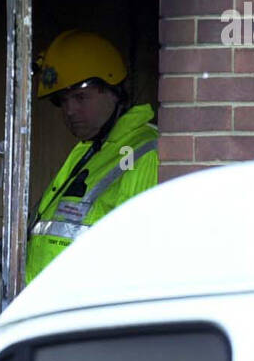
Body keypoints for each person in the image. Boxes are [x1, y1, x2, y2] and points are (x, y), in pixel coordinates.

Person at [23, 30, 159, 284]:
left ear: (114, 92)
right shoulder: (90, 151)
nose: (70, 111)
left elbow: (139, 260)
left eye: (80, 97)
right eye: (62, 101)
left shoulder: (145, 154)